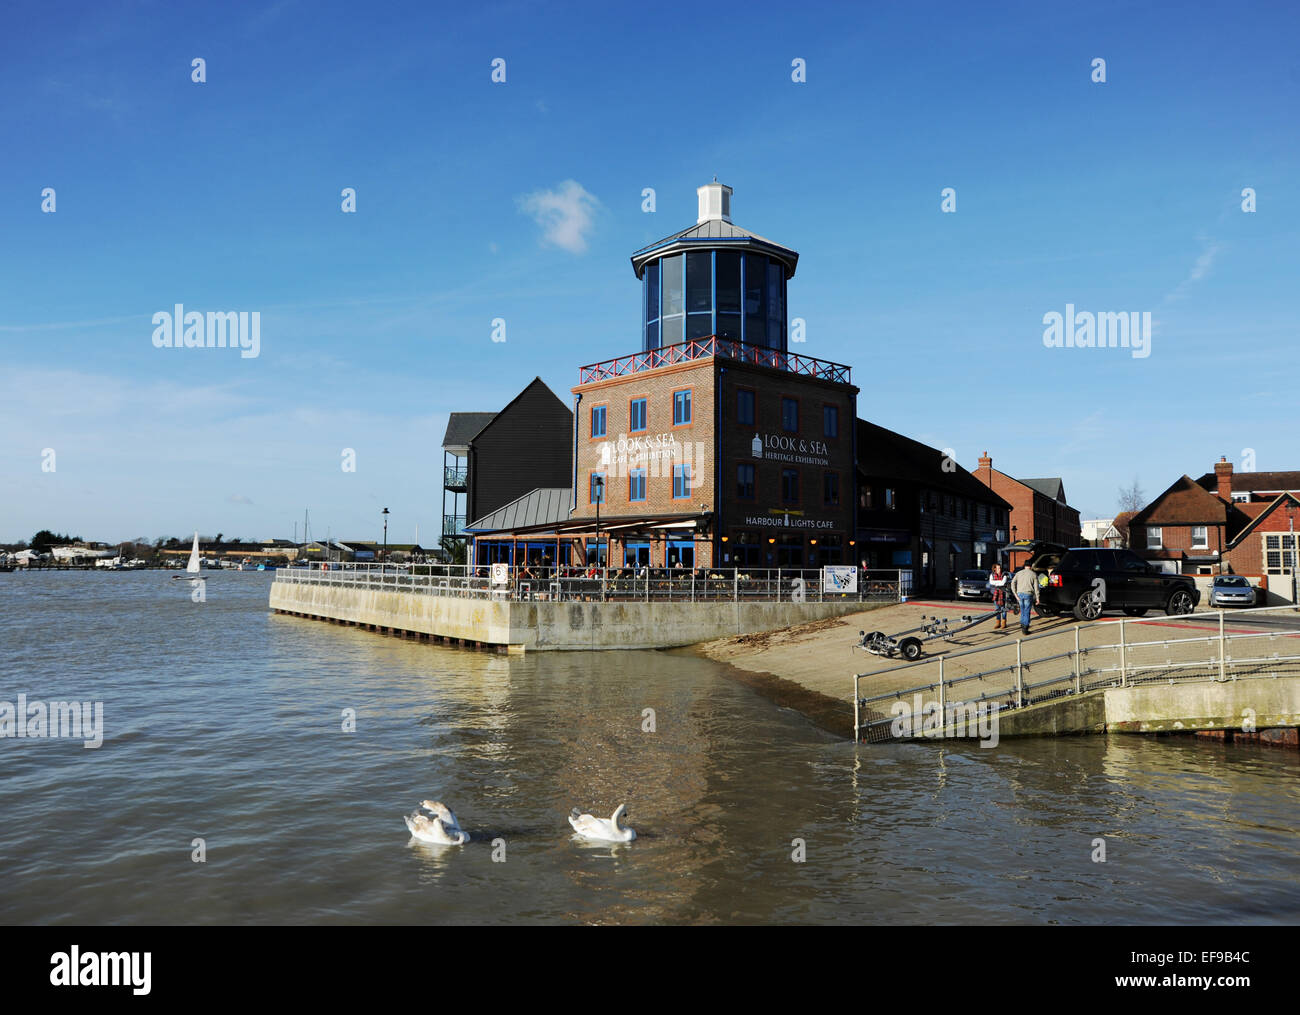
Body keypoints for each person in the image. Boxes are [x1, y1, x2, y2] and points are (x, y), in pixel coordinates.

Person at [1009, 558, 1039, 635]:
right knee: (1027, 611)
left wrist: (1015, 594)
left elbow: (1012, 583)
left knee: (1022, 610)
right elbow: (1036, 588)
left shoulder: (1018, 573)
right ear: (1031, 566)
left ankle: (1022, 624)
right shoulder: (1033, 574)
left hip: (1019, 594)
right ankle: (1025, 628)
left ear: (1024, 565)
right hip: (1028, 594)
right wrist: (1038, 598)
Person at [989, 562, 1010, 629]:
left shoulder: (1004, 574)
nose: (999, 569)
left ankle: (1004, 623)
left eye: (1000, 568)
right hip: (996, 594)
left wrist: (996, 583)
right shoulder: (992, 574)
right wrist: (999, 582)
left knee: (1003, 609)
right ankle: (998, 623)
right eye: (998, 568)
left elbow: (1003, 583)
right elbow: (991, 582)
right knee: (997, 609)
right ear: (995, 569)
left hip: (1003, 593)